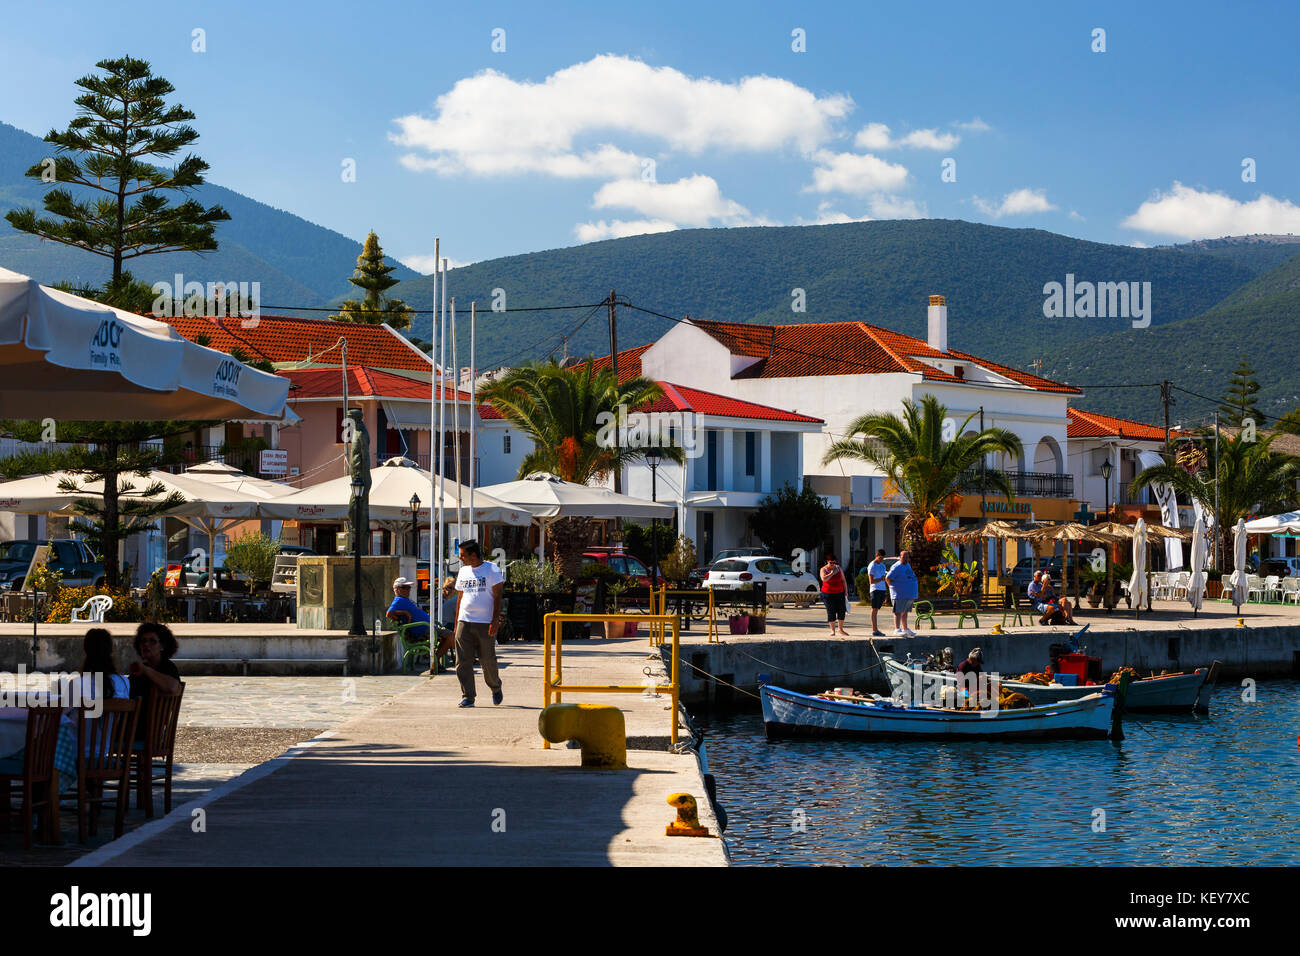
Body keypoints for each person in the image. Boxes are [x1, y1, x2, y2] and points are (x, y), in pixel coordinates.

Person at [453, 541, 505, 708]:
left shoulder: (492, 570)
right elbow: (460, 598)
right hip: (465, 621)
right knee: (462, 661)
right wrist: (456, 624)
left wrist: (495, 620)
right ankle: (468, 696)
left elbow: (498, 597)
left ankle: (495, 687)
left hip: (485, 622)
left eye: (462, 555)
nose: (460, 558)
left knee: (487, 659)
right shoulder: (463, 571)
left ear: (473, 555)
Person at [129, 622, 181, 742]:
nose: (146, 644)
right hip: (134, 726)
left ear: (162, 646)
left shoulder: (167, 667)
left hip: (148, 732)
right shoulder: (140, 670)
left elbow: (173, 687)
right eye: (143, 641)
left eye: (152, 641)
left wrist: (146, 670)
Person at [886, 550, 919, 637]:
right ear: (900, 557)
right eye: (904, 557)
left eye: (907, 557)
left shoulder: (907, 565)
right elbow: (888, 577)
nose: (906, 558)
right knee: (898, 611)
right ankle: (897, 629)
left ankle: (905, 628)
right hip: (899, 594)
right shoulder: (896, 566)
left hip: (907, 594)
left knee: (905, 612)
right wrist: (892, 587)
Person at [819, 553, 849, 636]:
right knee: (831, 611)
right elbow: (824, 579)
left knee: (841, 611)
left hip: (839, 593)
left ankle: (840, 629)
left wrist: (846, 591)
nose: (833, 564)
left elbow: (843, 580)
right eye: (831, 563)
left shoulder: (838, 568)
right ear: (827, 562)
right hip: (828, 594)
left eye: (834, 563)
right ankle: (832, 630)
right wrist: (832, 573)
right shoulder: (823, 569)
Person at [867, 548, 890, 637]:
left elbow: (884, 580)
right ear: (876, 555)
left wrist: (886, 593)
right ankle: (874, 629)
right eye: (880, 557)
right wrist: (881, 579)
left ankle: (876, 629)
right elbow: (871, 581)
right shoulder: (872, 565)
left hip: (882, 590)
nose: (881, 559)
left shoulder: (882, 566)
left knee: (877, 609)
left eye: (882, 558)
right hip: (875, 589)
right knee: (874, 609)